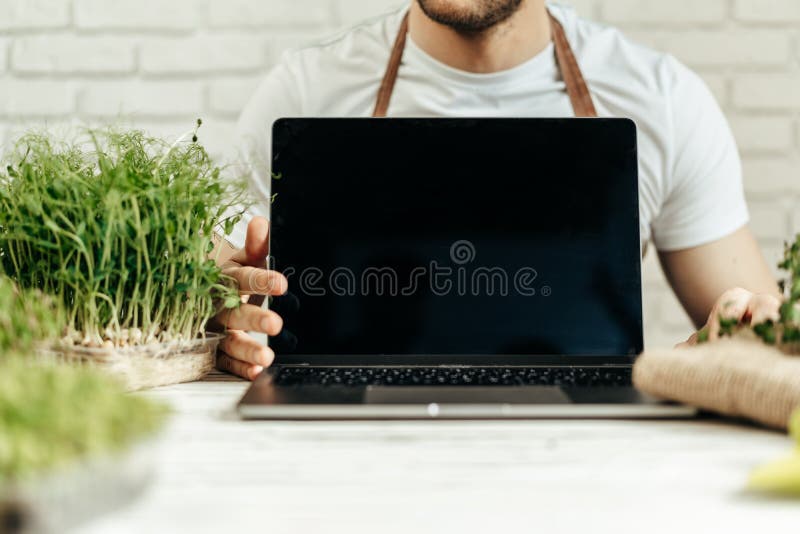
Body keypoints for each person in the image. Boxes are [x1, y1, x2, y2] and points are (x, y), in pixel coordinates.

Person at [212, 0, 782, 380]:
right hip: (345, 451)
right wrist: (222, 319)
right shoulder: (304, 91)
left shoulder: (663, 99)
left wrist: (734, 337)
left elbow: (768, 343)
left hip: (581, 456)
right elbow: (221, 293)